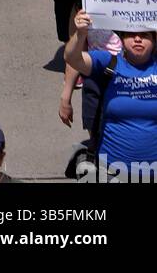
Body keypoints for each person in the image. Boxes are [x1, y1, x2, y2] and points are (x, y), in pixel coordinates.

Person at [65, 12, 157, 180]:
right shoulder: (108, 62)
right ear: (121, 39)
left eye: (145, 35)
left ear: (154, 41)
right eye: (131, 34)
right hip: (110, 171)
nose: (138, 39)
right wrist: (80, 34)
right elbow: (72, 58)